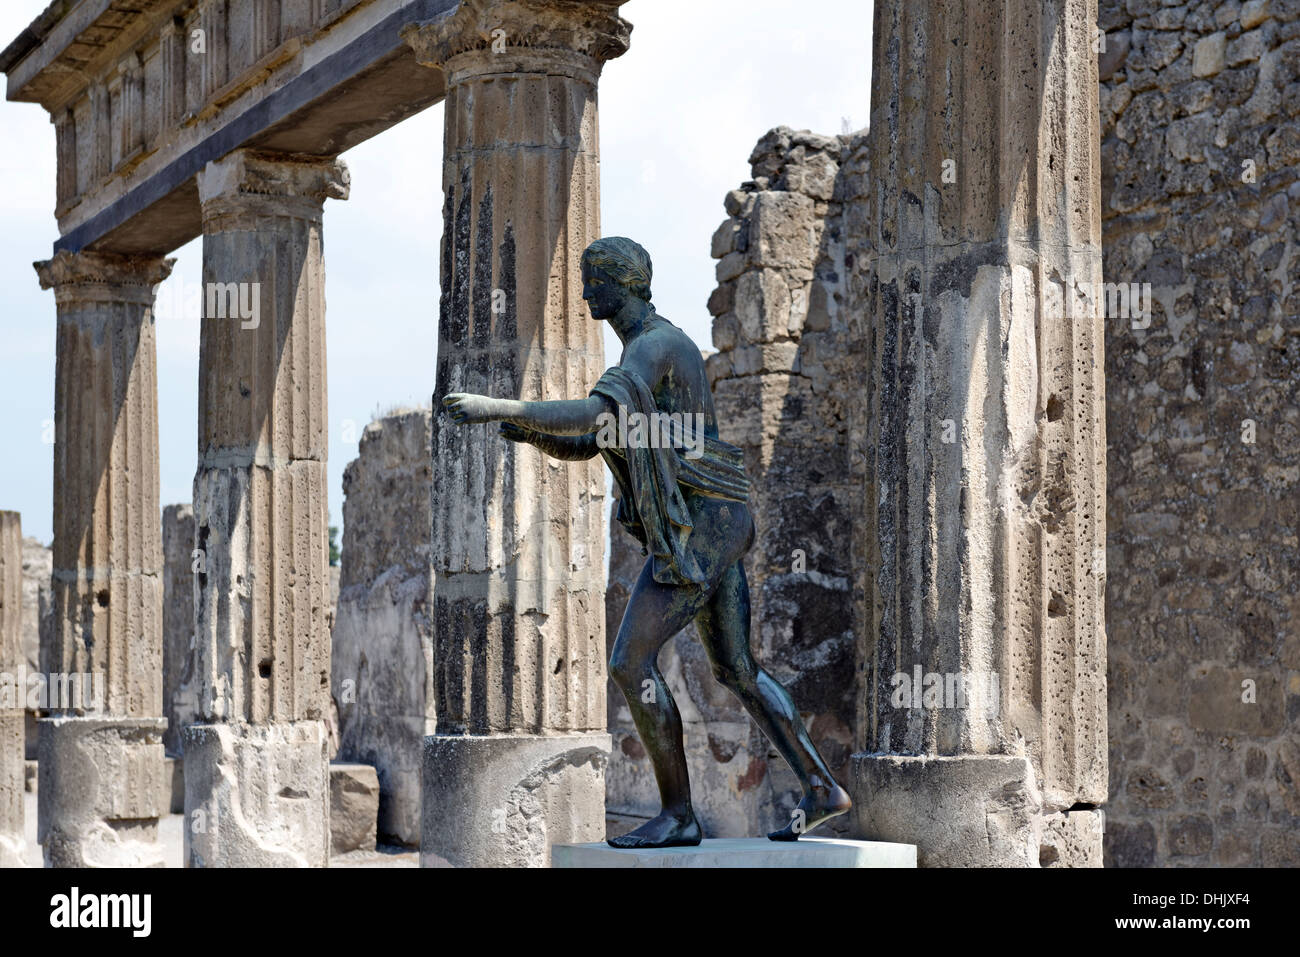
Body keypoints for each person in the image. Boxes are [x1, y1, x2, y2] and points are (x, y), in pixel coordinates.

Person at [443, 236, 851, 848]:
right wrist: (521, 429)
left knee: (629, 662)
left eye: (592, 281)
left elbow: (590, 415)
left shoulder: (656, 348)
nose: (583, 293)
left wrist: (503, 404)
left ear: (622, 284)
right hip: (715, 519)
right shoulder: (646, 352)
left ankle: (680, 813)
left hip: (703, 523)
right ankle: (822, 789)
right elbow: (594, 438)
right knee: (737, 669)